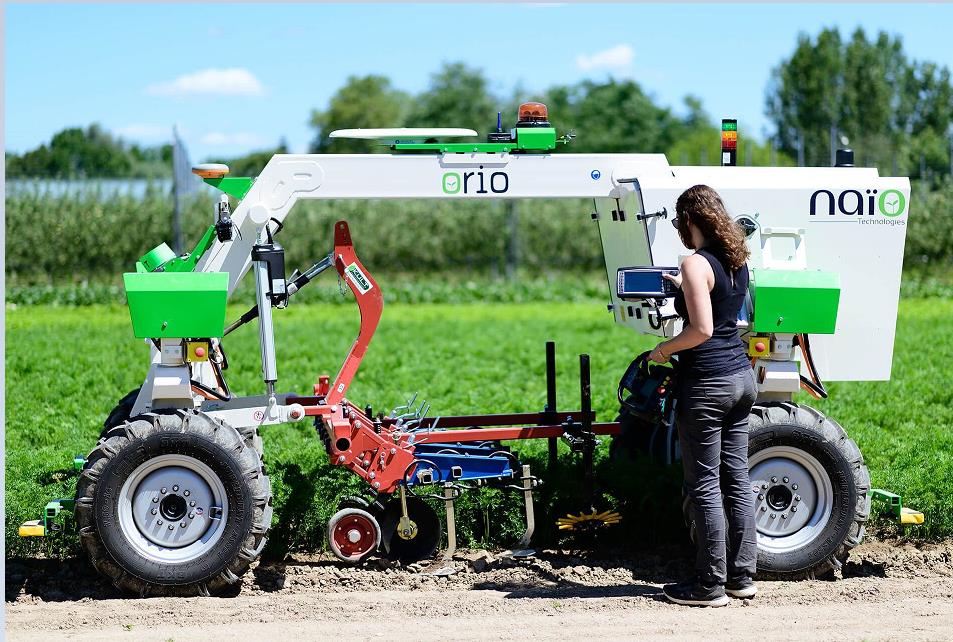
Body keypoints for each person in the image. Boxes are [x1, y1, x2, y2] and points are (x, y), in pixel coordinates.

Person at [647, 184, 758, 607]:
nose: (680, 230)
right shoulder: (736, 258)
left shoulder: (696, 263)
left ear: (690, 220)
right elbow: (721, 306)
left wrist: (663, 349)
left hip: (708, 384)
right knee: (737, 477)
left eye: (679, 223)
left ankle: (709, 586)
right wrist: (683, 284)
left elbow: (701, 330)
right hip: (741, 377)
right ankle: (741, 578)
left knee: (705, 485)